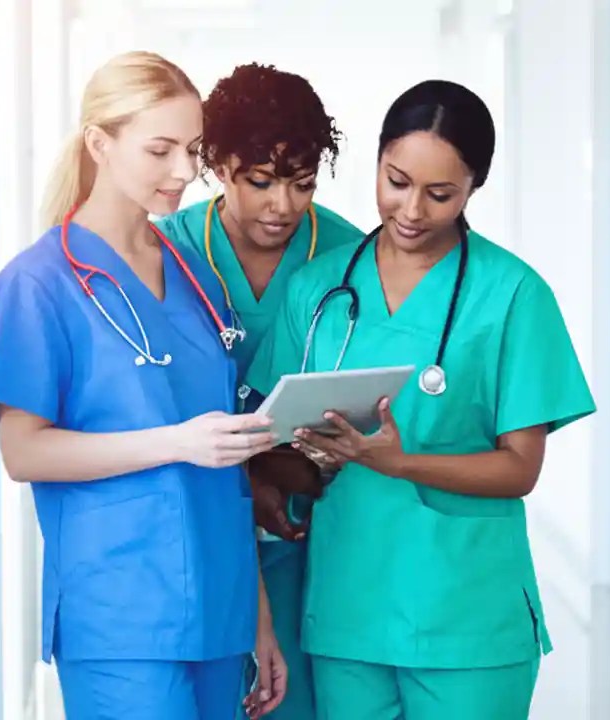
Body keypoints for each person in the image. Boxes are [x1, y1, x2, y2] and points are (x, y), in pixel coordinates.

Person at [244, 79, 597, 719]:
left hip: (467, 619)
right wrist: (269, 476)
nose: (411, 210)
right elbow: (274, 429)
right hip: (349, 609)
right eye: (395, 181)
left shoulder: (513, 294)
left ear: (472, 189)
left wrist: (399, 462)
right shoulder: (319, 289)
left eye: (440, 195)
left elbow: (520, 467)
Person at [0, 51, 288, 720]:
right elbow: (24, 452)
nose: (184, 171)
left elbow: (227, 463)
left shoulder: (196, 275)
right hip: (118, 613)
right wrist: (176, 442)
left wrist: (258, 618)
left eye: (193, 149)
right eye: (160, 149)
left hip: (219, 602)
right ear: (99, 143)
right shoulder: (39, 283)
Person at [156, 62, 364, 720]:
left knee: (297, 698)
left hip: (308, 522)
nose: (282, 206)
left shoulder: (348, 255)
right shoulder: (169, 249)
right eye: (261, 181)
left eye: (301, 184)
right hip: (203, 515)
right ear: (216, 164)